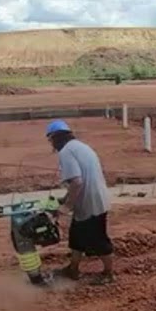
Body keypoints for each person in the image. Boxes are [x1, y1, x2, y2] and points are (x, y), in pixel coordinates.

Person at [46, 119, 114, 283]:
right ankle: (73, 269)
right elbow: (78, 180)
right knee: (76, 237)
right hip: (94, 198)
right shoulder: (81, 146)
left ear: (55, 137)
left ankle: (108, 274)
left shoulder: (66, 152)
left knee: (98, 240)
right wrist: (65, 199)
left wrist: (66, 207)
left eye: (51, 140)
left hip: (90, 203)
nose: (52, 145)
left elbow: (77, 181)